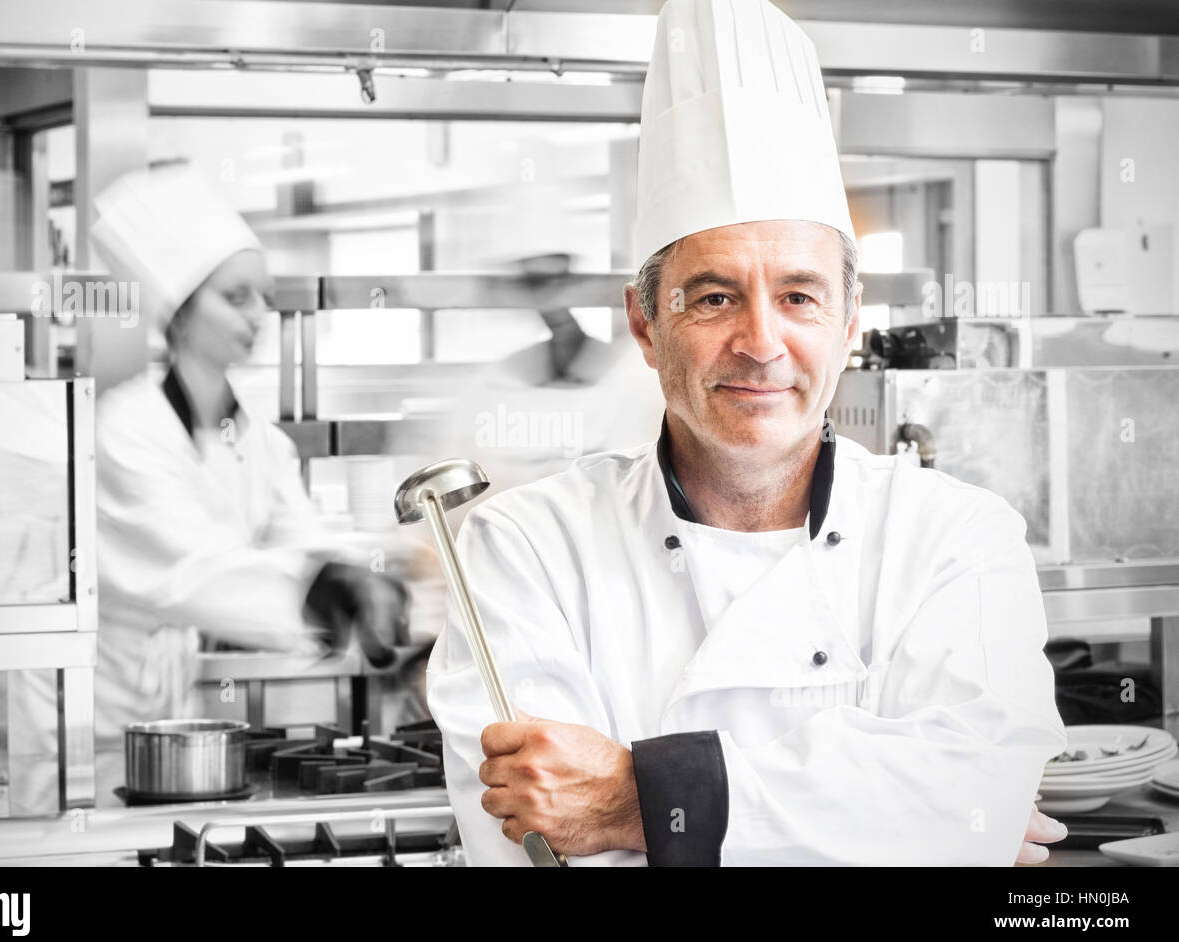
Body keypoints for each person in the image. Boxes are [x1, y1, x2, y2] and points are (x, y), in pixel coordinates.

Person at [426, 0, 1068, 866]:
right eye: (715, 295)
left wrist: (635, 799)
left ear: (848, 323)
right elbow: (536, 850)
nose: (761, 342)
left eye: (799, 295)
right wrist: (900, 817)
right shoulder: (525, 550)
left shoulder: (958, 538)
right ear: (647, 325)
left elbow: (977, 801)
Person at [11, 165, 410, 753]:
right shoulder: (124, 433)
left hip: (166, 710)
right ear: (179, 312)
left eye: (264, 299)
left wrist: (368, 575)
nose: (257, 316)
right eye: (235, 297)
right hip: (77, 713)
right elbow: (193, 568)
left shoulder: (256, 438)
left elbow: (299, 538)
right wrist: (325, 591)